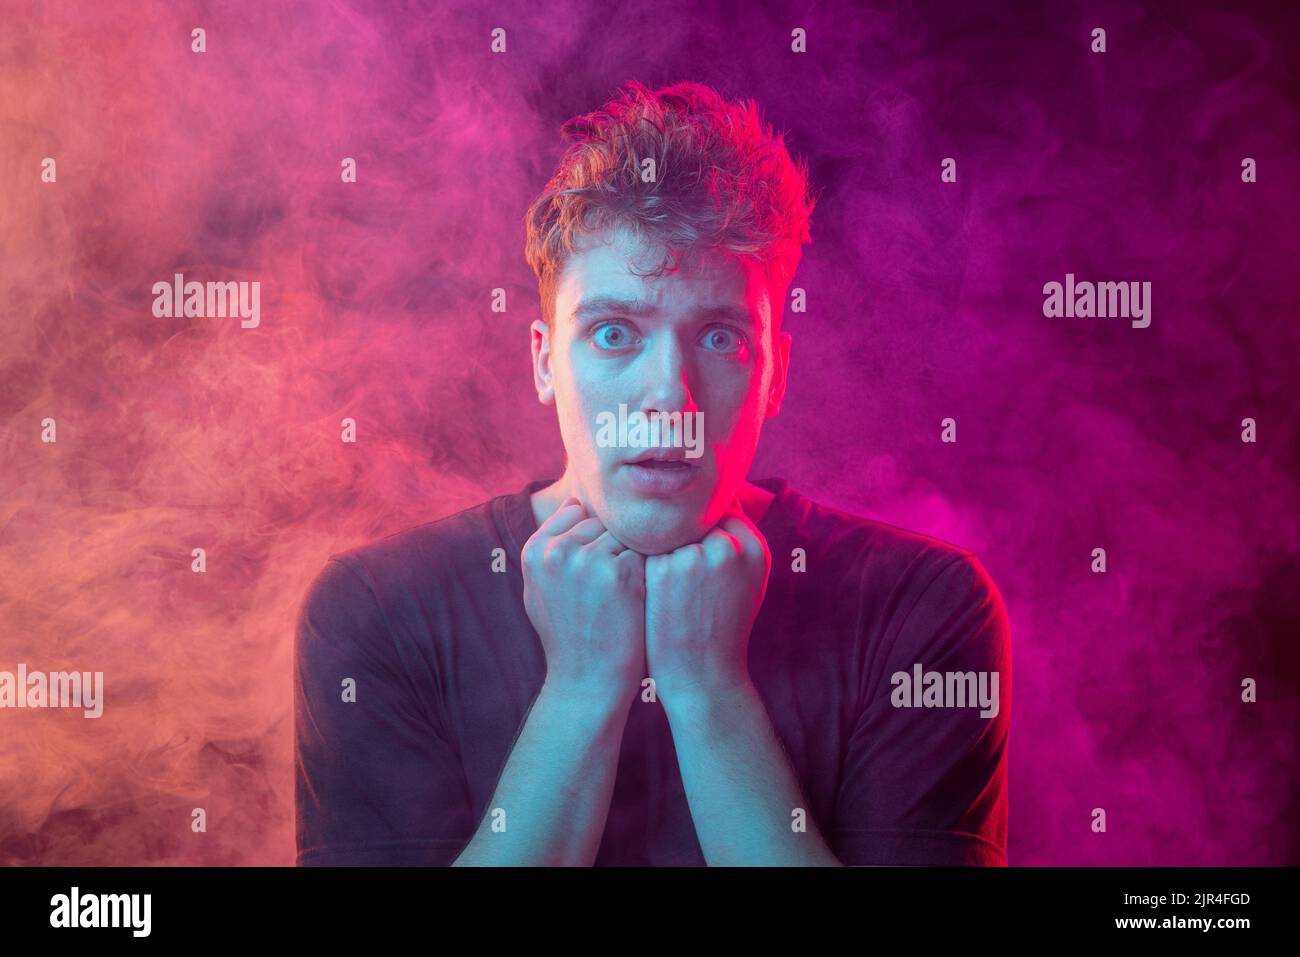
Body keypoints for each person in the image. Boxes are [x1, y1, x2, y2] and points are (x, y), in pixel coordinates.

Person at [294, 79, 1012, 867]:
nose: (669, 395)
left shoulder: (921, 606)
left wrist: (711, 695)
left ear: (774, 374)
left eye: (719, 338)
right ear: (543, 362)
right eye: (612, 333)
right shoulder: (380, 608)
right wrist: (578, 695)